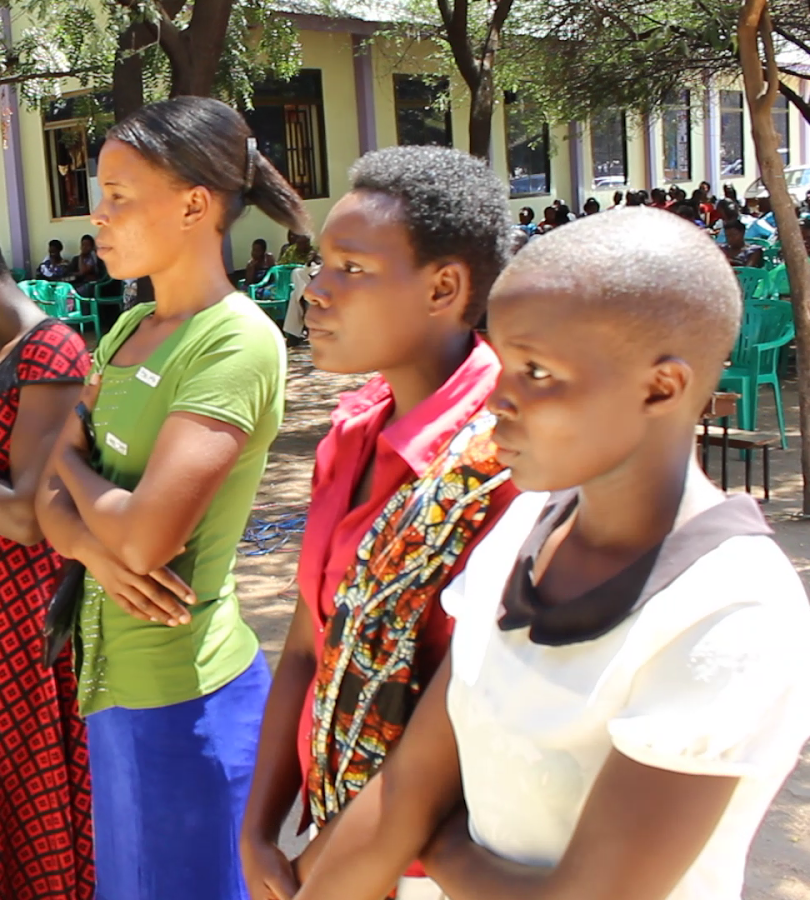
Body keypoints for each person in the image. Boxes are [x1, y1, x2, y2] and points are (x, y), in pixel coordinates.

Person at [289, 207, 810, 900]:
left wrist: (439, 846)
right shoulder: (524, 530)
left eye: (536, 372)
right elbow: (407, 788)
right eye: (504, 363)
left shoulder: (729, 612)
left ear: (661, 387)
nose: (499, 398)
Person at [28, 97, 299, 900]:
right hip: (111, 678)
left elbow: (143, 537)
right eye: (98, 195)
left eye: (118, 195)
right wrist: (90, 546)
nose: (97, 216)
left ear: (193, 205)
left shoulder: (236, 339)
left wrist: (65, 463)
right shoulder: (131, 326)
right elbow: (49, 505)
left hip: (186, 698)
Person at [240, 145, 518, 900]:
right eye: (319, 264)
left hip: (429, 862)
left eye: (350, 269)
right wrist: (260, 828)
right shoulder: (355, 429)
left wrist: (319, 867)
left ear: (444, 287)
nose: (316, 293)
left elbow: (449, 713)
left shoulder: (497, 464)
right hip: (325, 834)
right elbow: (308, 640)